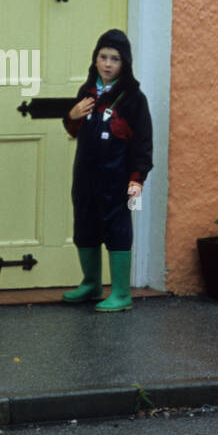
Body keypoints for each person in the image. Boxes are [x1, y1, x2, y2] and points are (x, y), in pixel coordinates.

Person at [61, 29, 153, 312]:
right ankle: (91, 283)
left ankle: (122, 293)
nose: (108, 64)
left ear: (124, 63)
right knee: (85, 224)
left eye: (115, 58)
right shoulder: (86, 92)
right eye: (103, 57)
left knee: (118, 228)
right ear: (95, 59)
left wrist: (137, 179)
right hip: (86, 176)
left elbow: (143, 144)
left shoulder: (134, 99)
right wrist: (71, 116)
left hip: (118, 179)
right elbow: (73, 129)